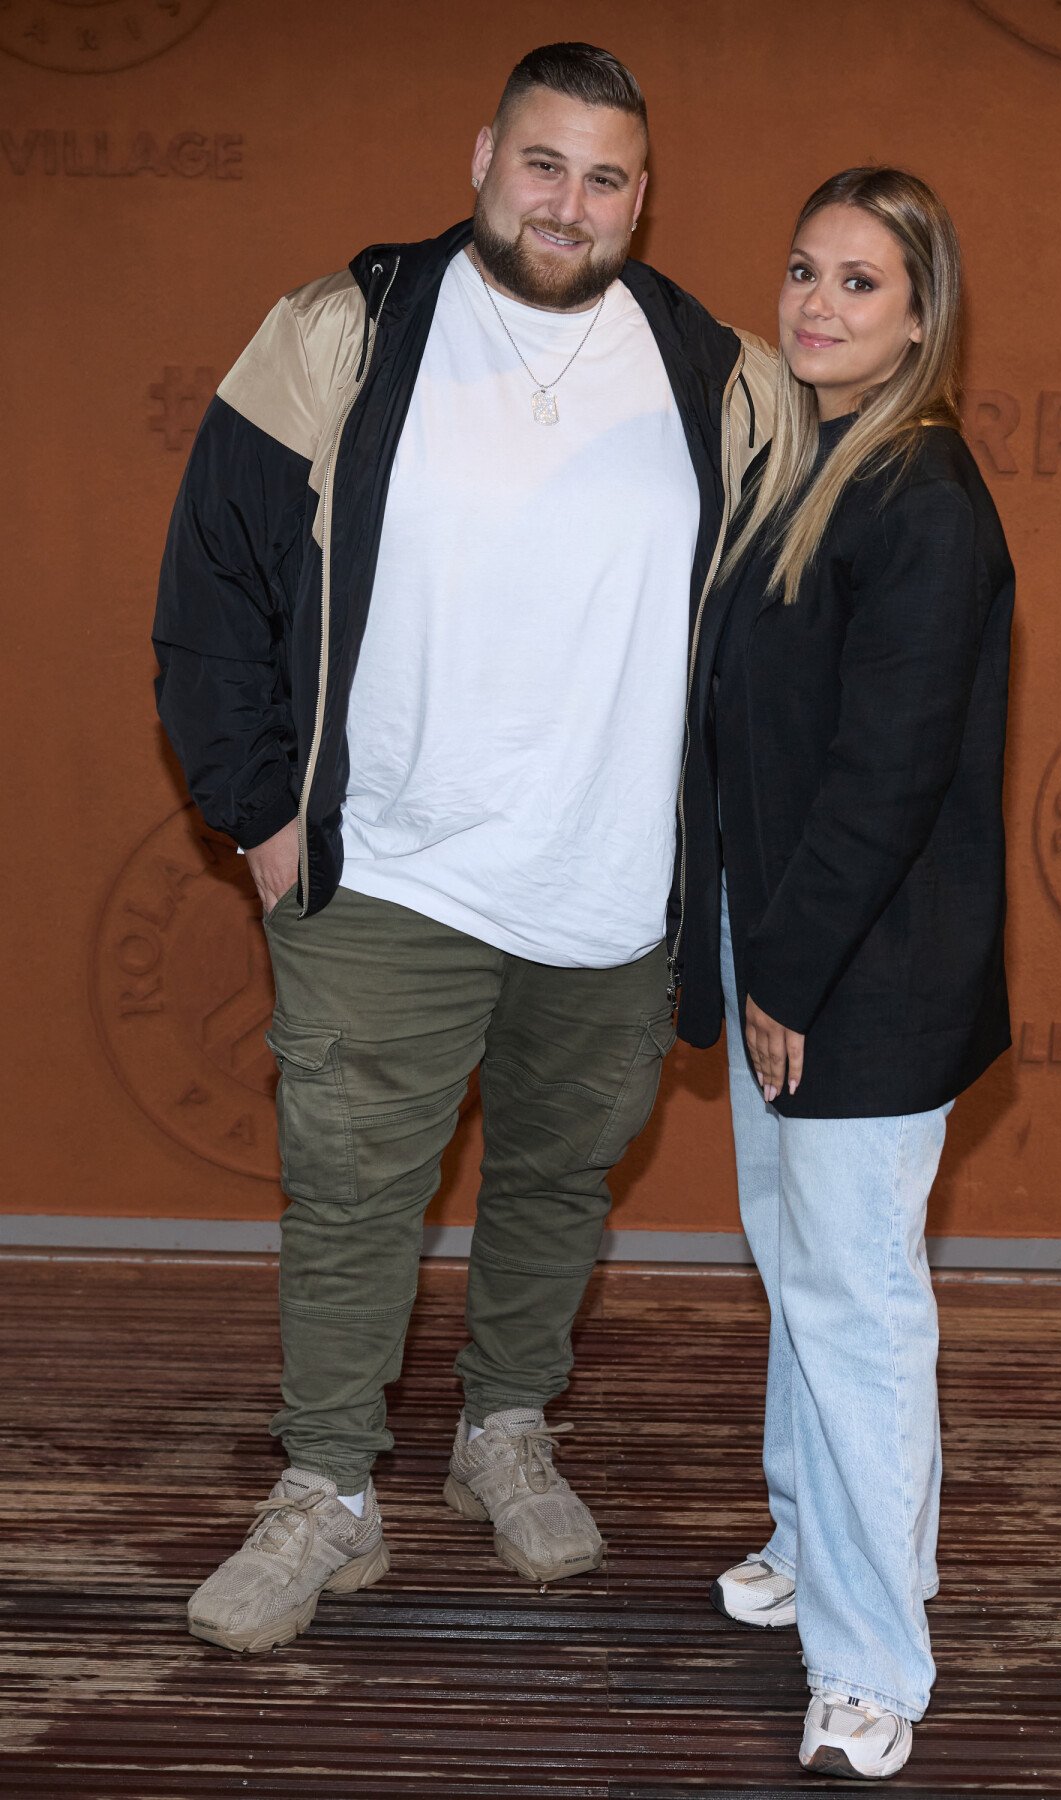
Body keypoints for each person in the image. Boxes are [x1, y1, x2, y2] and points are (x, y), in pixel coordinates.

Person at [153, 41, 774, 1654]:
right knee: (353, 1192)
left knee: (560, 1178)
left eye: (606, 177)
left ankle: (504, 1428)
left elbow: (801, 609)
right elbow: (215, 576)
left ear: (644, 195)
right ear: (484, 157)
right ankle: (326, 1490)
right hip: (390, 868)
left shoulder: (718, 372)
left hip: (612, 885)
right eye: (544, 163)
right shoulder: (343, 328)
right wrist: (261, 812)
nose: (570, 203)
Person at [675, 168, 1014, 1779]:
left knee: (860, 1300)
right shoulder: (814, 464)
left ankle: (874, 1657)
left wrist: (789, 975)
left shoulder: (922, 500)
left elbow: (887, 779)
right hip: (791, 941)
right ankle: (819, 1544)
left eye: (860, 281)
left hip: (859, 968)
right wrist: (752, 948)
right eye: (806, 269)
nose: (818, 303)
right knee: (807, 1269)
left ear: (921, 312)